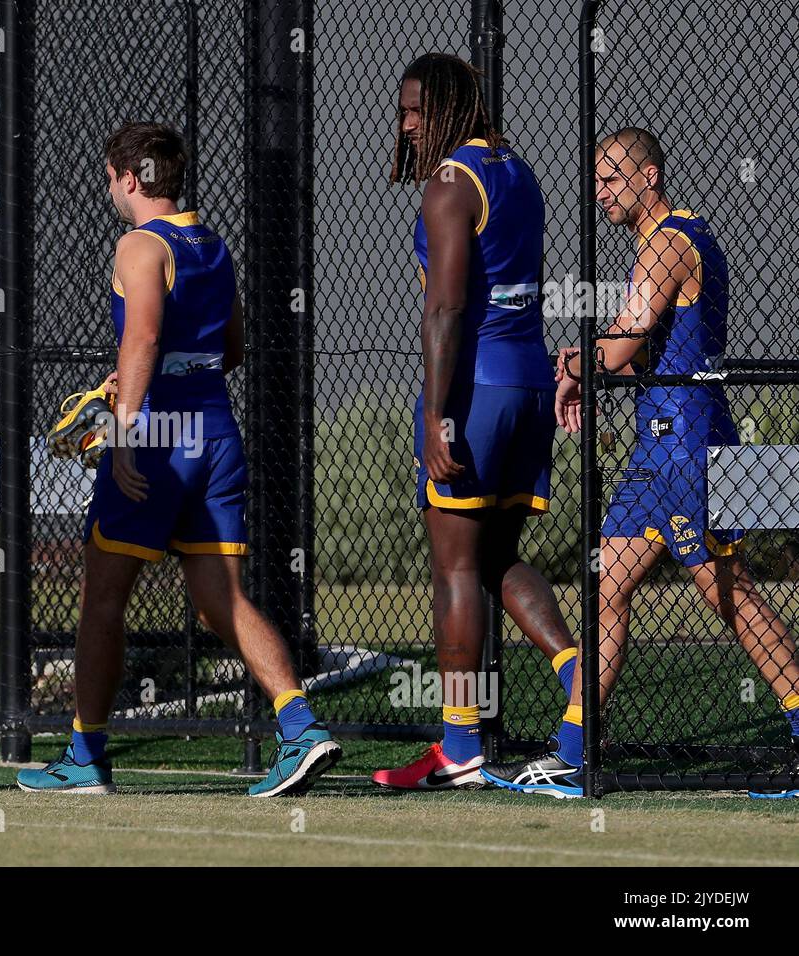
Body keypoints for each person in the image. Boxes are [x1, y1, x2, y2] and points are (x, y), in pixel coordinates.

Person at [16, 122, 341, 797]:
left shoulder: (139, 245)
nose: (110, 188)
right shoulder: (212, 245)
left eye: (110, 178)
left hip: (157, 437)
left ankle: (85, 759)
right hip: (215, 431)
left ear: (129, 179)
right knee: (223, 597)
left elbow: (142, 336)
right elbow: (231, 350)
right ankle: (301, 725)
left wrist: (126, 426)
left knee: (102, 599)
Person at [483, 128, 799, 798]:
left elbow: (622, 344)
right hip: (659, 450)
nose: (600, 193)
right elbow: (647, 344)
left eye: (612, 179)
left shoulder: (666, 243)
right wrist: (586, 370)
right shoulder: (678, 237)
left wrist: (565, 366)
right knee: (611, 589)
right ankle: (573, 754)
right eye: (597, 181)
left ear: (649, 175)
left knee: (731, 596)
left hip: (690, 450)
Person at [372, 54, 577, 790]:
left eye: (416, 111)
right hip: (528, 383)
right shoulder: (517, 172)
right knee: (495, 559)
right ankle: (583, 681)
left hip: (477, 394)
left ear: (451, 108)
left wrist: (435, 418)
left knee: (454, 566)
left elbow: (448, 309)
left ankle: (459, 745)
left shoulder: (450, 185)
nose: (407, 125)